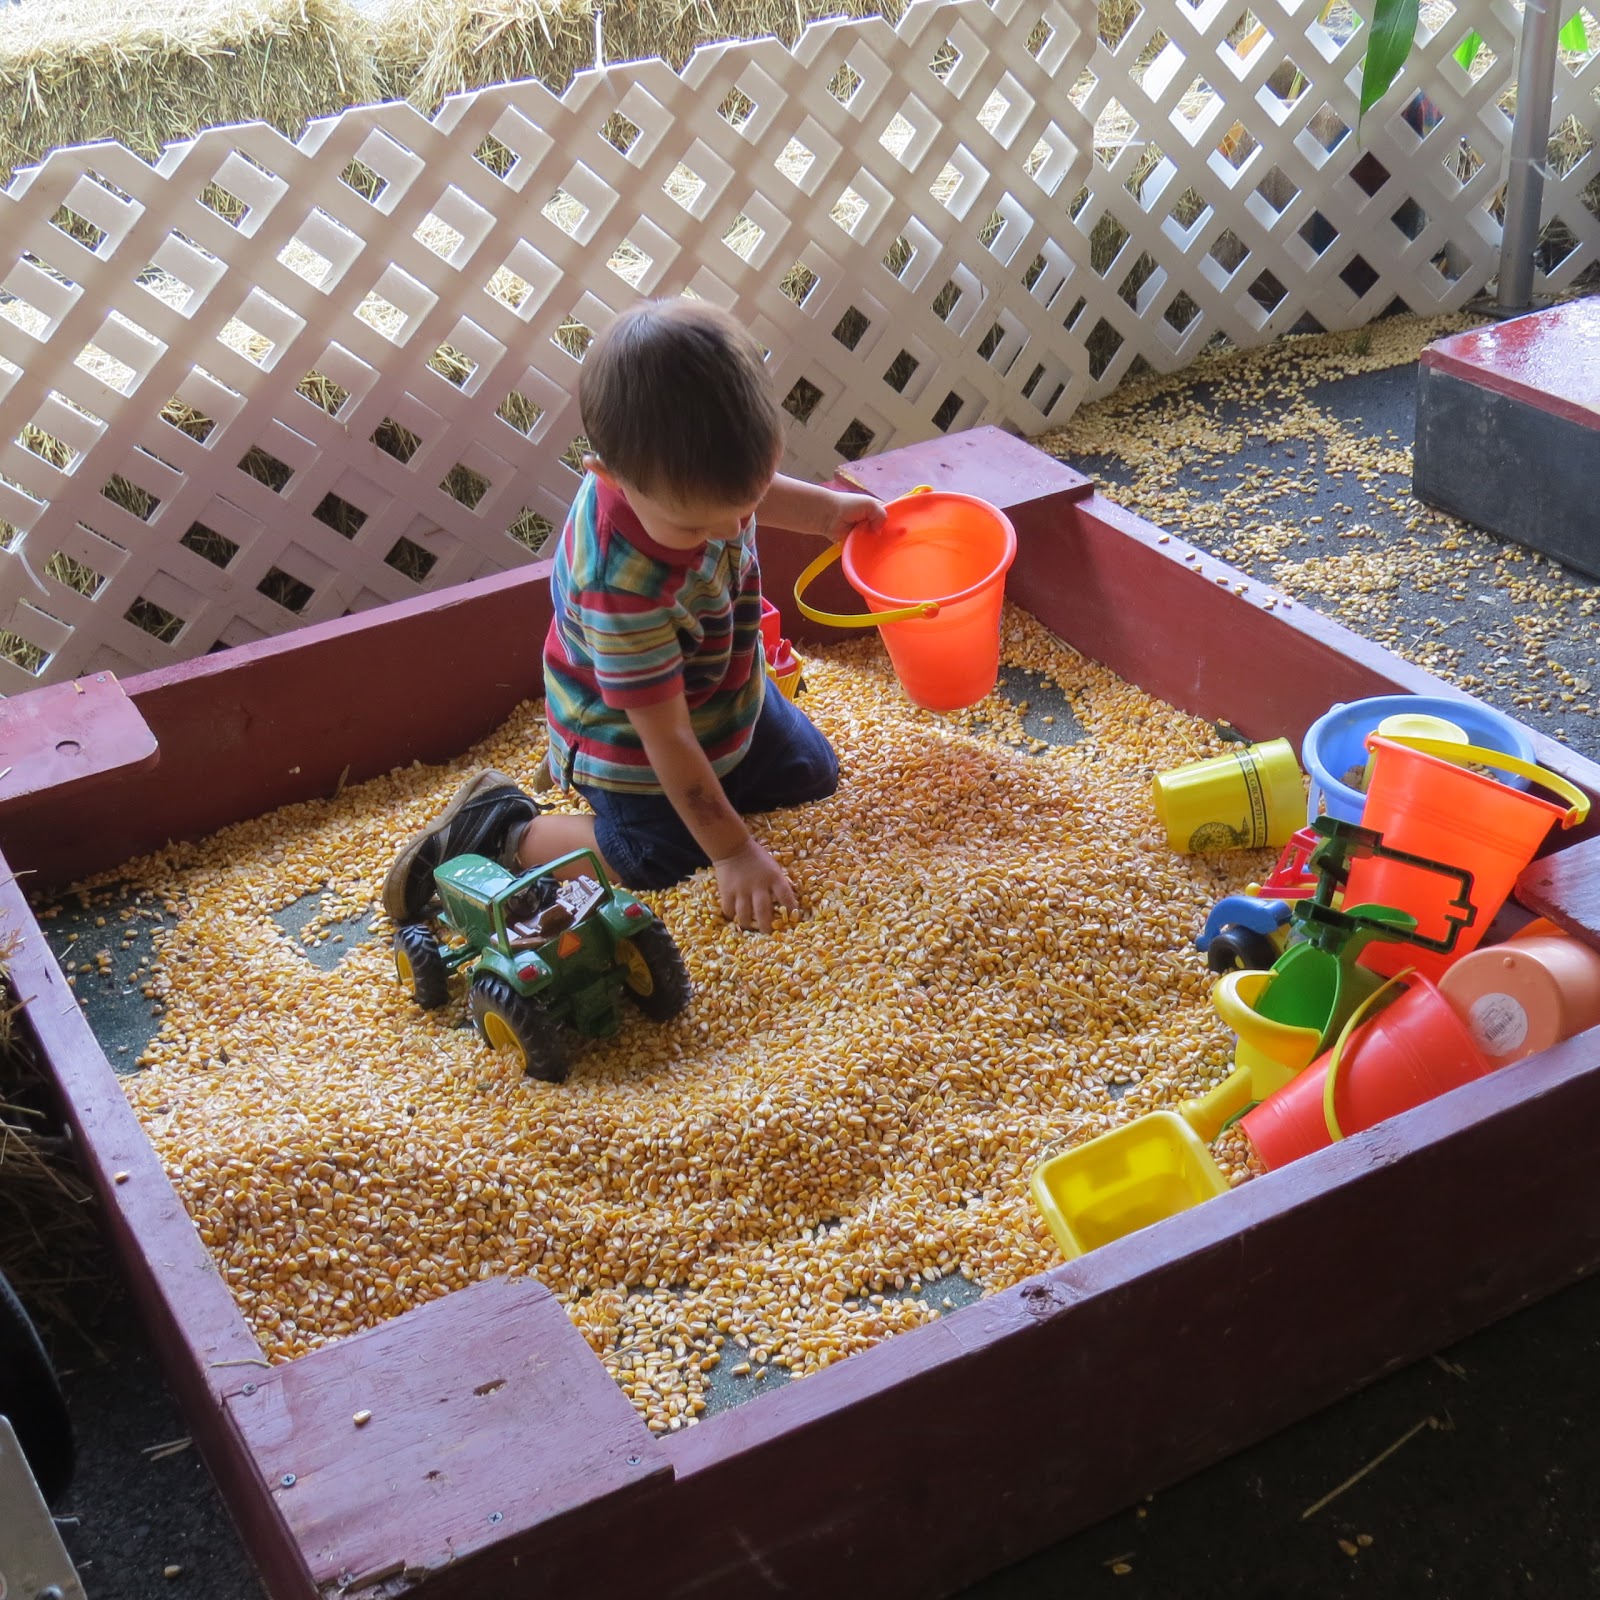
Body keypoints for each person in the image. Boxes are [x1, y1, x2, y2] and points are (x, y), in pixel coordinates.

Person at [383, 298, 884, 935]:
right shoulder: (621, 586)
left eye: (748, 500)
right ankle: (503, 828)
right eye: (699, 523)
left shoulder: (684, 480)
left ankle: (718, 783)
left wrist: (824, 514)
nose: (731, 529)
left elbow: (732, 497)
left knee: (813, 774)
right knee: (661, 857)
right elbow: (666, 738)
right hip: (631, 744)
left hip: (722, 695)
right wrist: (732, 852)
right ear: (609, 478)